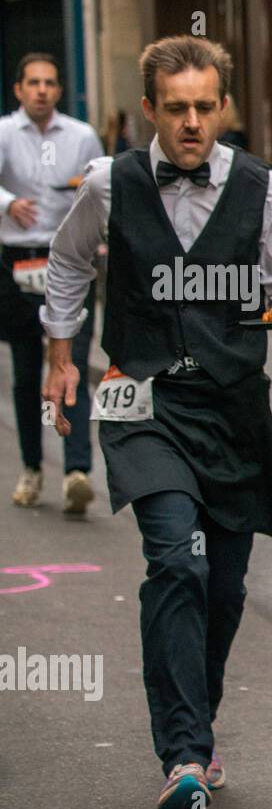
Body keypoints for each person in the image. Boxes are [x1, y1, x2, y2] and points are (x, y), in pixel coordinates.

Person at [41, 35, 272, 809]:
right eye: (175, 108)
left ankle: (196, 725)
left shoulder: (261, 187)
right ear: (149, 109)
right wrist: (61, 353)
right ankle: (181, 750)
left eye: (204, 107)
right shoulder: (111, 183)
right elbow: (69, 258)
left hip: (234, 411)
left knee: (224, 586)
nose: (190, 122)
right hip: (143, 403)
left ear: (222, 108)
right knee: (176, 560)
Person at [0, 52, 103, 512]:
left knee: (73, 364)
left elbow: (102, 185)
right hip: (18, 261)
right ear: (19, 90)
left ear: (59, 91)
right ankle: (32, 468)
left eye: (50, 82)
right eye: (33, 83)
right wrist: (7, 204)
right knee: (27, 370)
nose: (42, 90)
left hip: (71, 262)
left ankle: (77, 470)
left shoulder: (81, 136)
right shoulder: (4, 132)